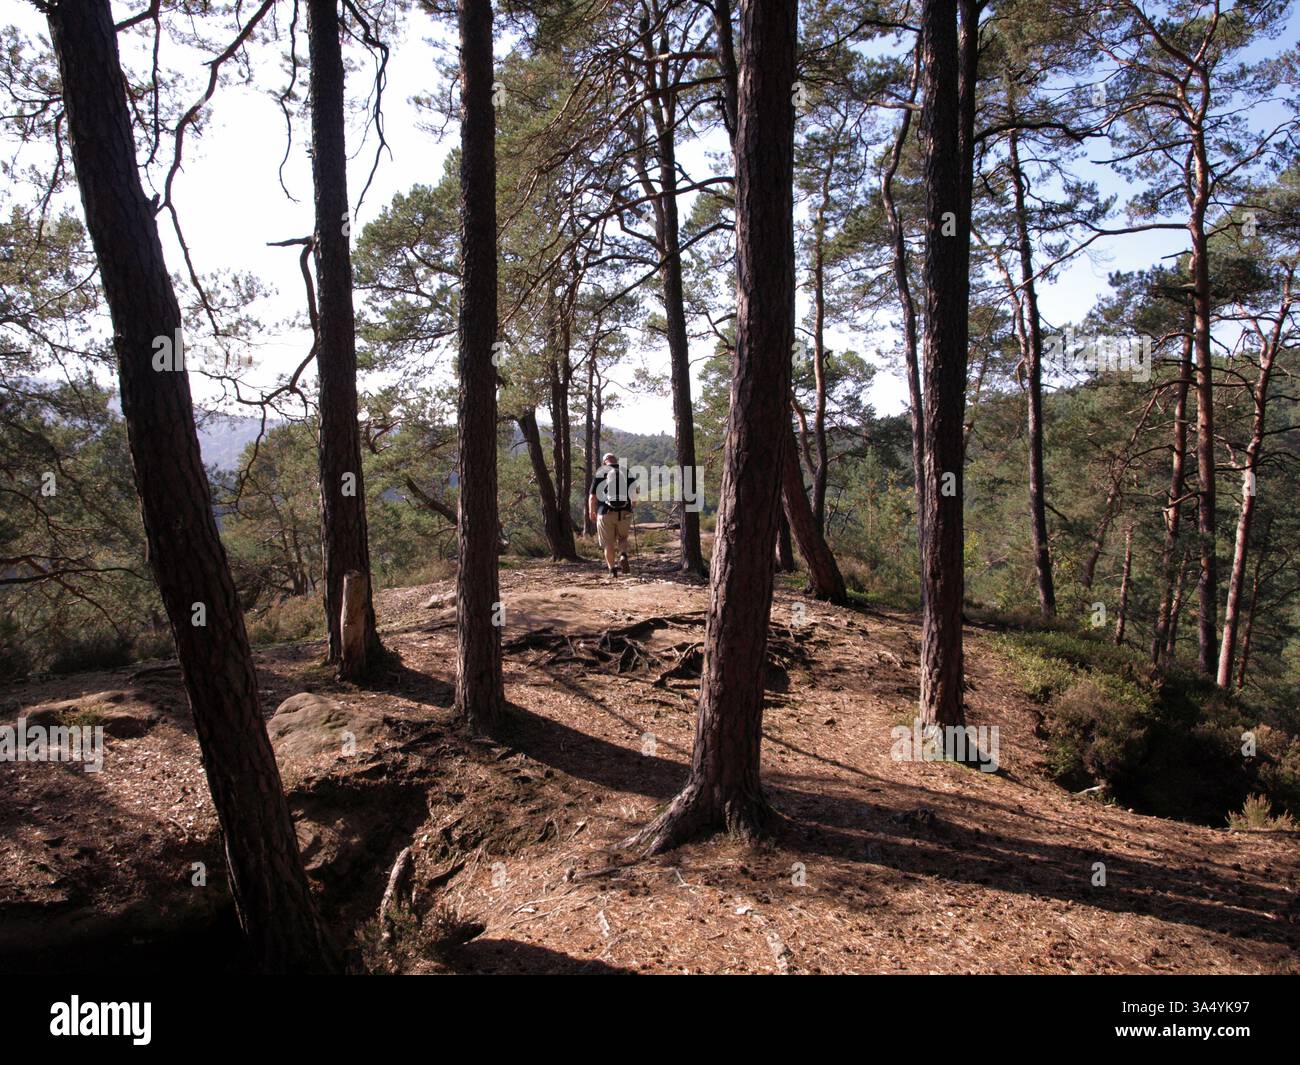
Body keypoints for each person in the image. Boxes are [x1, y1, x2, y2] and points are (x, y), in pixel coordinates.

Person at [588, 453, 637, 577]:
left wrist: (591, 511)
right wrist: (632, 505)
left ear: (605, 462)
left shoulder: (601, 473)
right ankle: (623, 555)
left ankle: (612, 570)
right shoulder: (625, 471)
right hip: (624, 511)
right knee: (623, 537)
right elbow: (634, 492)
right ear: (615, 460)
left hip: (605, 512)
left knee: (608, 543)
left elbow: (592, 497)